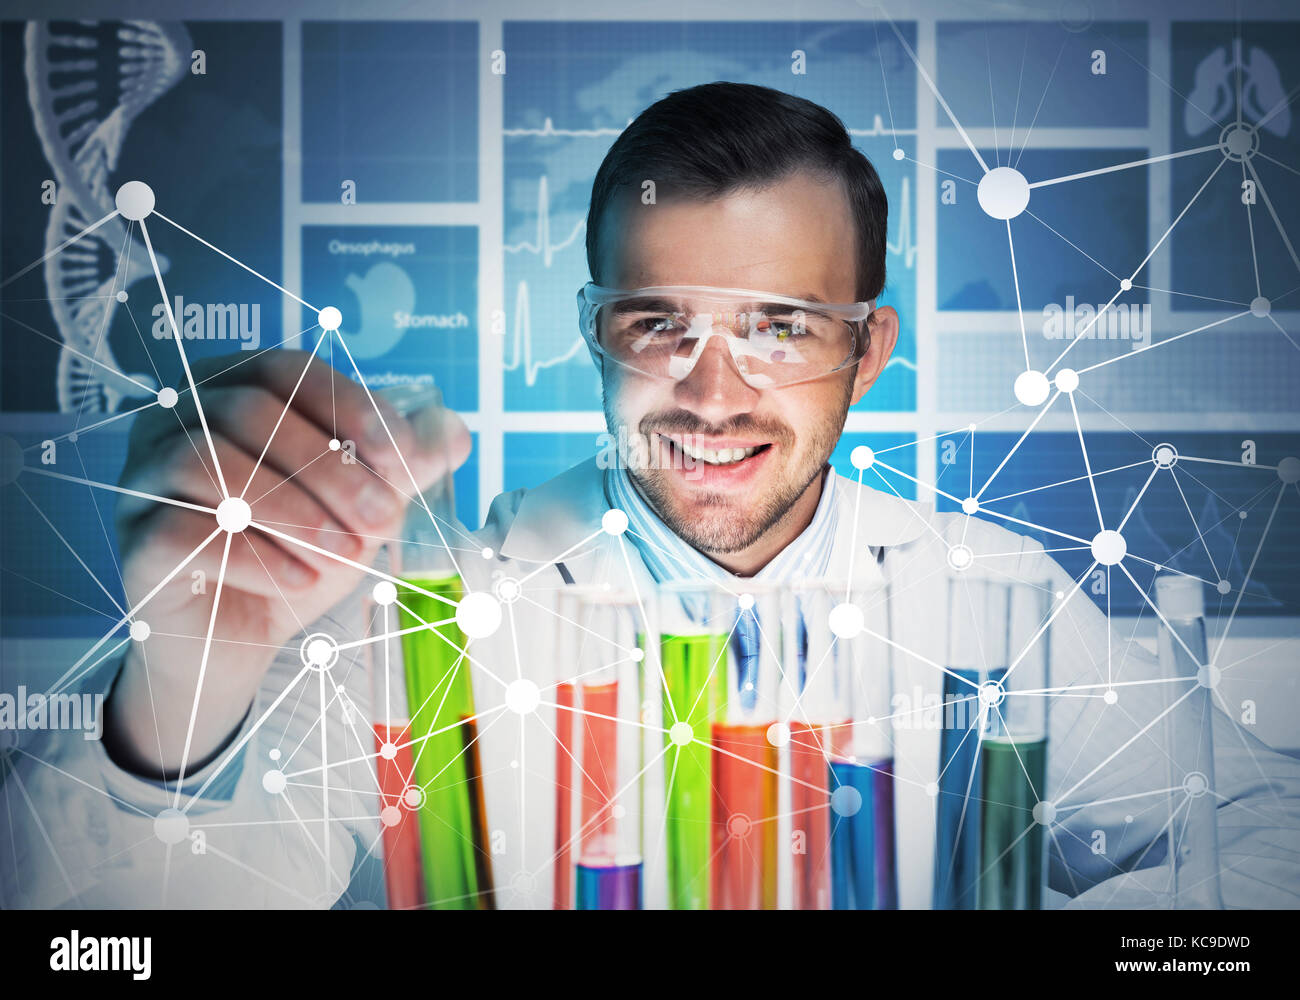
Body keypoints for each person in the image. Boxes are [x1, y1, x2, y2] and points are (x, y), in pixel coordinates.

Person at [4, 82, 1297, 909]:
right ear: (594, 332)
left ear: (870, 348)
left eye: (783, 325)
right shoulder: (416, 608)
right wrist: (185, 672)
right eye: (659, 320)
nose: (712, 390)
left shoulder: (995, 596)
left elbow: (1265, 831)